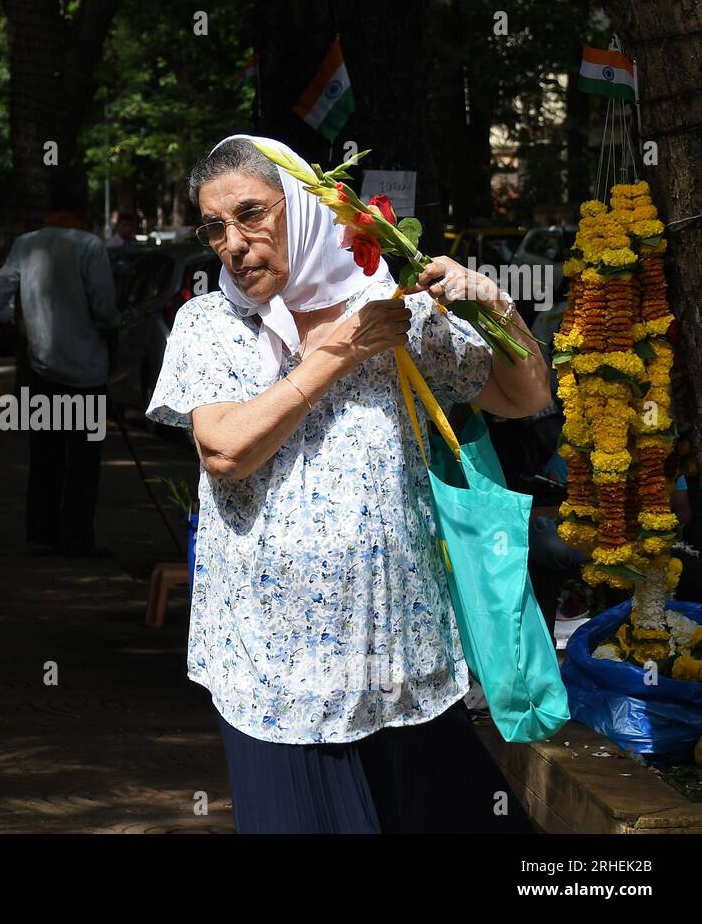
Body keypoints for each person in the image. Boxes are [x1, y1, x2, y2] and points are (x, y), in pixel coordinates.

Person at [145, 135, 552, 833]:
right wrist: (335, 352)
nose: (233, 243)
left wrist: (495, 307)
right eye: (215, 226)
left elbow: (524, 397)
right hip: (275, 674)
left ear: (302, 209)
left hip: (400, 661)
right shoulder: (209, 324)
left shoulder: (394, 311)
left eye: (251, 214)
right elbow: (226, 449)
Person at [0, 199, 120, 555]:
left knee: (46, 457)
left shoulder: (27, 244)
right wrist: (113, 331)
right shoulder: (89, 246)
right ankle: (77, 538)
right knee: (83, 464)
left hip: (43, 371)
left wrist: (16, 325)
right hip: (87, 376)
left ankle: (42, 532)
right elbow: (104, 308)